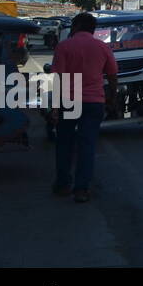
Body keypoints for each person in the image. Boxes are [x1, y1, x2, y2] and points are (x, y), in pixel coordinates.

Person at [49, 13, 117, 203]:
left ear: (77, 26)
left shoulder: (64, 46)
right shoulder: (102, 47)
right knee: (87, 146)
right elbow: (112, 75)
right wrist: (112, 98)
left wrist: (54, 107)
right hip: (94, 102)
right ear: (93, 29)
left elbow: (57, 78)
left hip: (69, 101)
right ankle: (81, 190)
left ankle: (63, 185)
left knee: (65, 144)